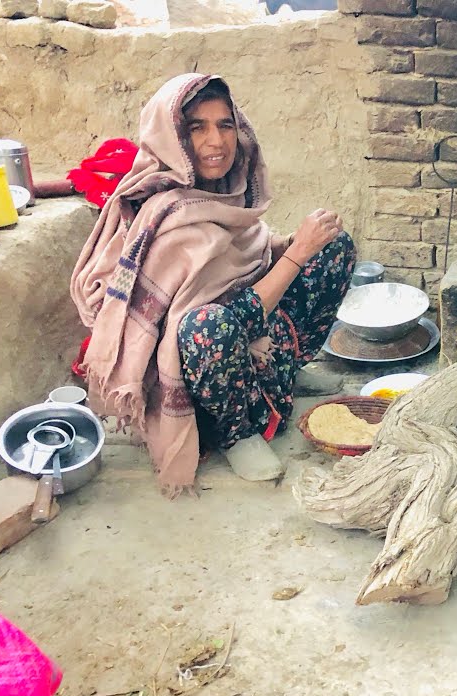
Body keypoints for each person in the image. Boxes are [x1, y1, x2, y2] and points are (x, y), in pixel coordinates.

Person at [71, 73, 355, 497]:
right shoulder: (168, 216)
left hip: (251, 335)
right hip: (204, 372)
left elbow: (245, 260)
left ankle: (290, 371)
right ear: (172, 137)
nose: (216, 141)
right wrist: (295, 256)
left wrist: (293, 245)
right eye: (197, 127)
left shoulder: (225, 193)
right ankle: (238, 432)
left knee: (333, 250)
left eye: (225, 124)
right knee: (207, 328)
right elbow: (217, 320)